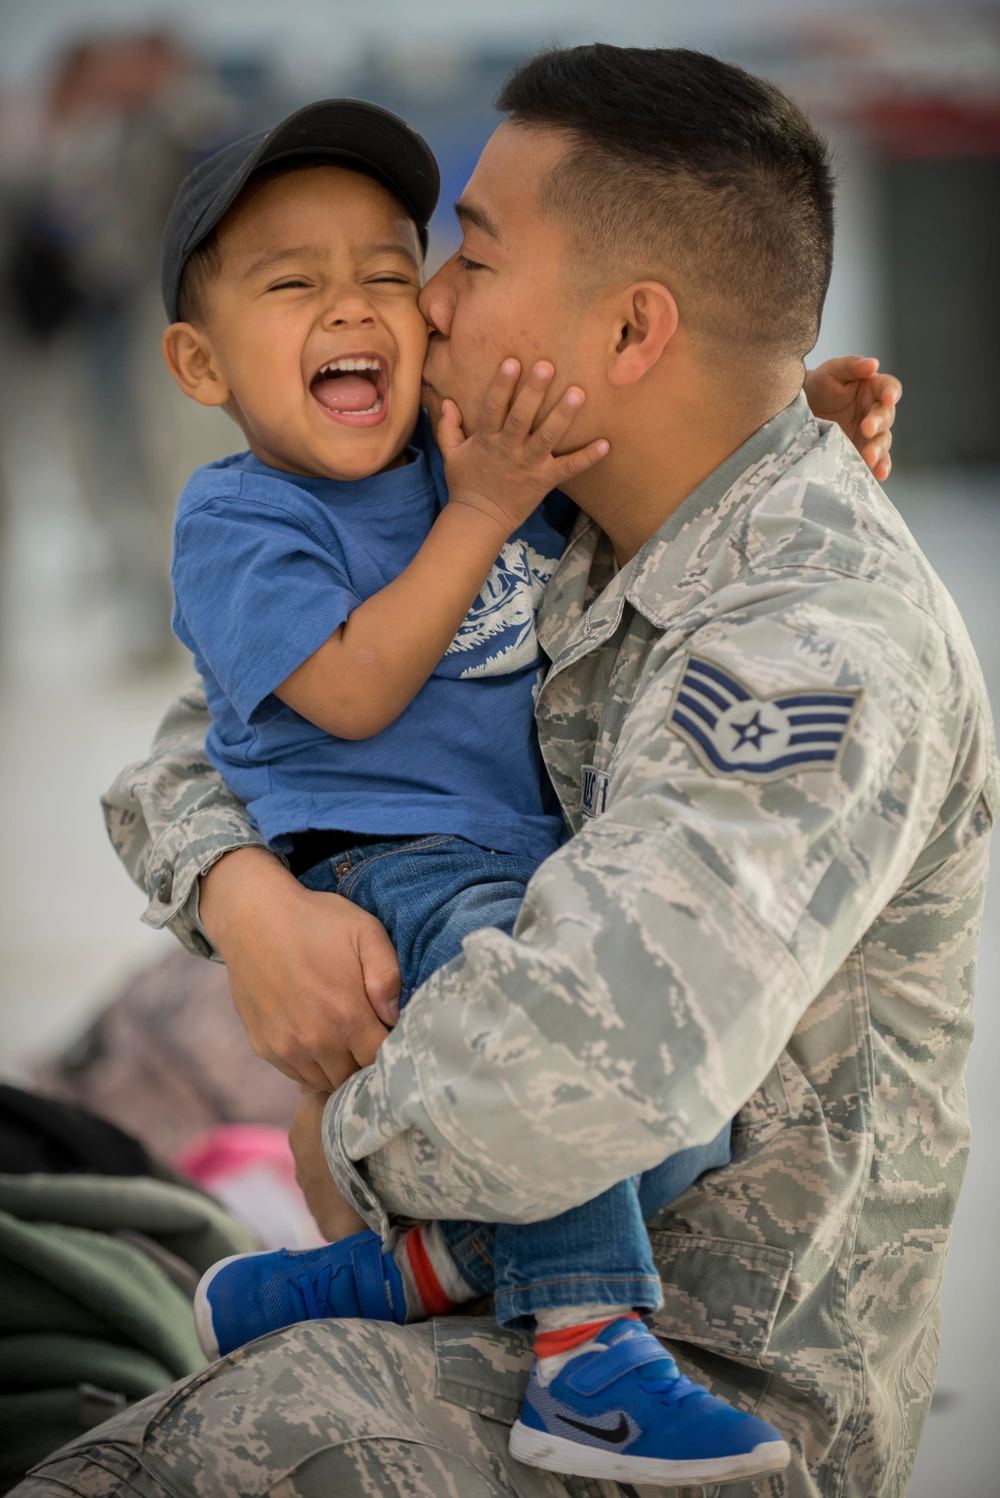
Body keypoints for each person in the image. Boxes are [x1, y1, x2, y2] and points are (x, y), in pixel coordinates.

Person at [17, 42, 990, 1498]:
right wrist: (243, 900)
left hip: (698, 1379)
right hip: (483, 1301)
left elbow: (592, 1063)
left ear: (633, 328)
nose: (427, 303)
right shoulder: (573, 515)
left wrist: (335, 1140)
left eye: (466, 253)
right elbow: (232, 720)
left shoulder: (811, 638)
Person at [158, 100, 785, 1487]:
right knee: (550, 1016)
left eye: (390, 270)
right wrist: (480, 512)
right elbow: (353, 691)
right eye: (294, 283)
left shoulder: (462, 455)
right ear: (200, 361)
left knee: (687, 1118)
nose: (359, 308)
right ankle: (585, 1355)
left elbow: (646, 481)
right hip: (390, 863)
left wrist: (797, 426)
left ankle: (397, 1272)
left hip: (516, 856)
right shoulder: (243, 518)